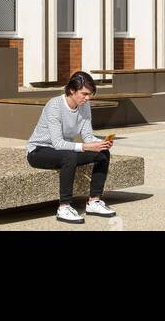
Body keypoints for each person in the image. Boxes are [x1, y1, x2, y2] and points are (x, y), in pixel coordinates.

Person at [25, 70, 117, 224]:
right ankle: (64, 207)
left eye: (89, 94)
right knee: (69, 156)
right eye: (84, 94)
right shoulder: (54, 105)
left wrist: (100, 143)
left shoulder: (84, 106)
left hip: (63, 150)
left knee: (102, 154)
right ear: (72, 91)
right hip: (39, 150)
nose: (87, 98)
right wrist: (87, 147)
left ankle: (94, 202)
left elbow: (87, 136)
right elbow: (58, 143)